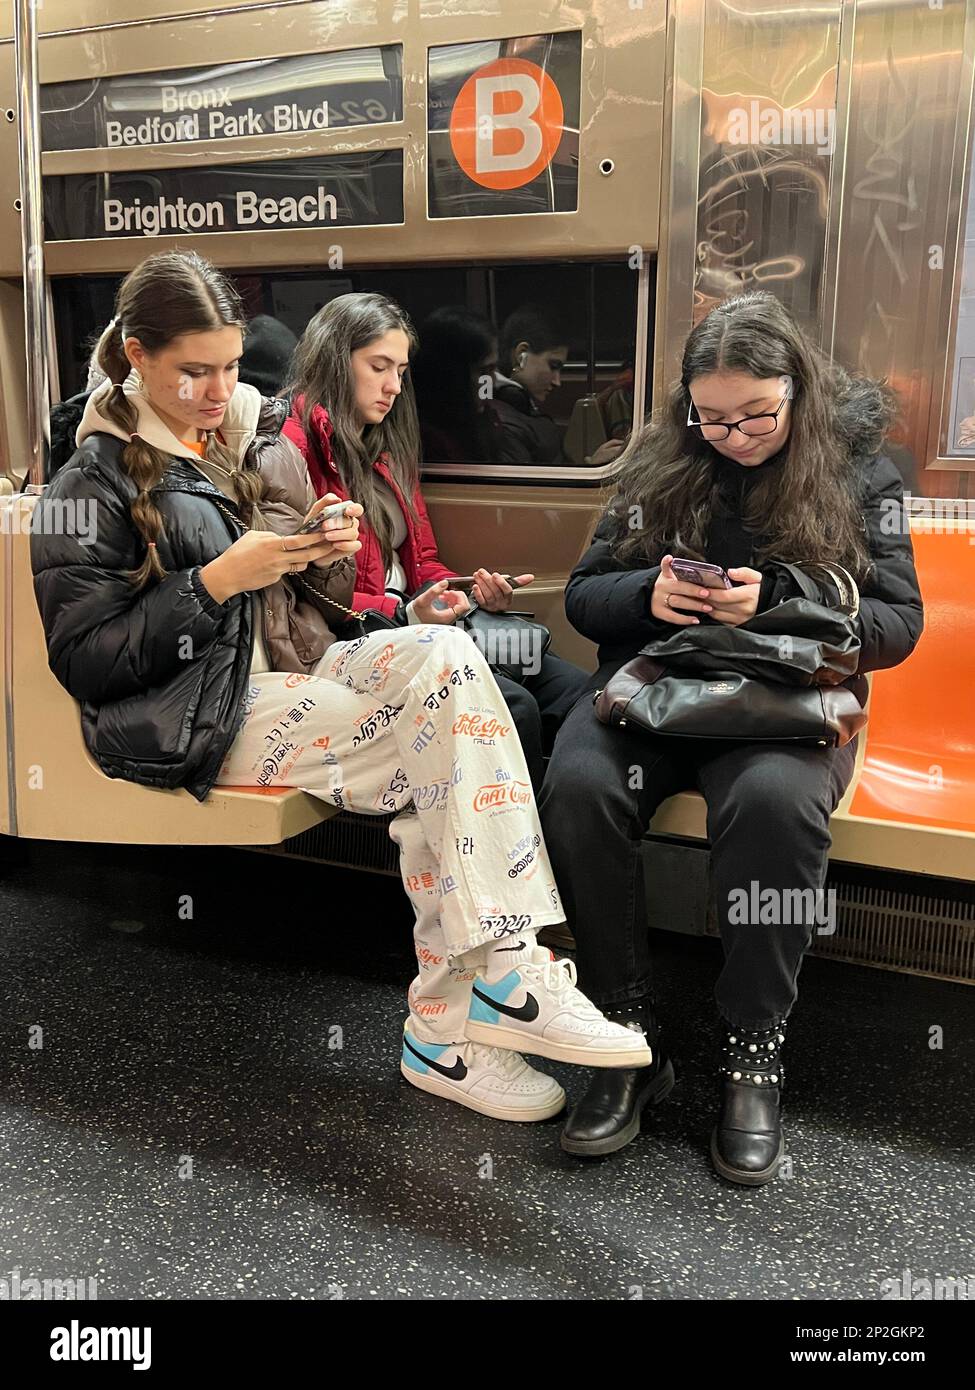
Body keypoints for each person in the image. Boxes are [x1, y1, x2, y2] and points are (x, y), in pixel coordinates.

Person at [30, 250, 651, 1131]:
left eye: (231, 368)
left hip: (268, 670)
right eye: (193, 372)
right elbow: (88, 662)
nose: (218, 391)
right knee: (442, 756)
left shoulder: (217, 445)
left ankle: (500, 972)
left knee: (442, 656)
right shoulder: (84, 487)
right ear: (136, 356)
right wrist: (217, 584)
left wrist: (307, 551)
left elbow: (273, 590)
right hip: (182, 712)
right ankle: (456, 1020)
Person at [538, 290, 923, 1182]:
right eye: (710, 419)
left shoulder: (868, 472)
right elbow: (584, 595)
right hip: (663, 686)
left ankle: (754, 1045)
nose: (735, 436)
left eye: (757, 414)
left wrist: (781, 602)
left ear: (798, 391)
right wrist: (646, 598)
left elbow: (899, 626)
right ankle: (623, 1031)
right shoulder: (656, 462)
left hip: (785, 700)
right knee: (580, 785)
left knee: (772, 806)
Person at [281, 291, 592, 791]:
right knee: (518, 706)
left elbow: (421, 559)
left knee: (575, 689)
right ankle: (512, 848)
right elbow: (296, 587)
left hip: (413, 617)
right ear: (336, 363)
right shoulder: (292, 451)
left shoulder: (384, 446)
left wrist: (460, 591)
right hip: (357, 632)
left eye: (401, 372)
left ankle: (556, 836)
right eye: (379, 367)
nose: (393, 387)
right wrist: (400, 611)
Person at [410, 304, 504, 464]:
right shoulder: (428, 440)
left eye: (493, 369)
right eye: (483, 371)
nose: (491, 382)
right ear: (452, 376)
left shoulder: (485, 416)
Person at [493, 305, 569, 465]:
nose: (557, 382)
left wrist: (589, 462)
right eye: (553, 366)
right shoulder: (503, 422)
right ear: (521, 354)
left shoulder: (520, 405)